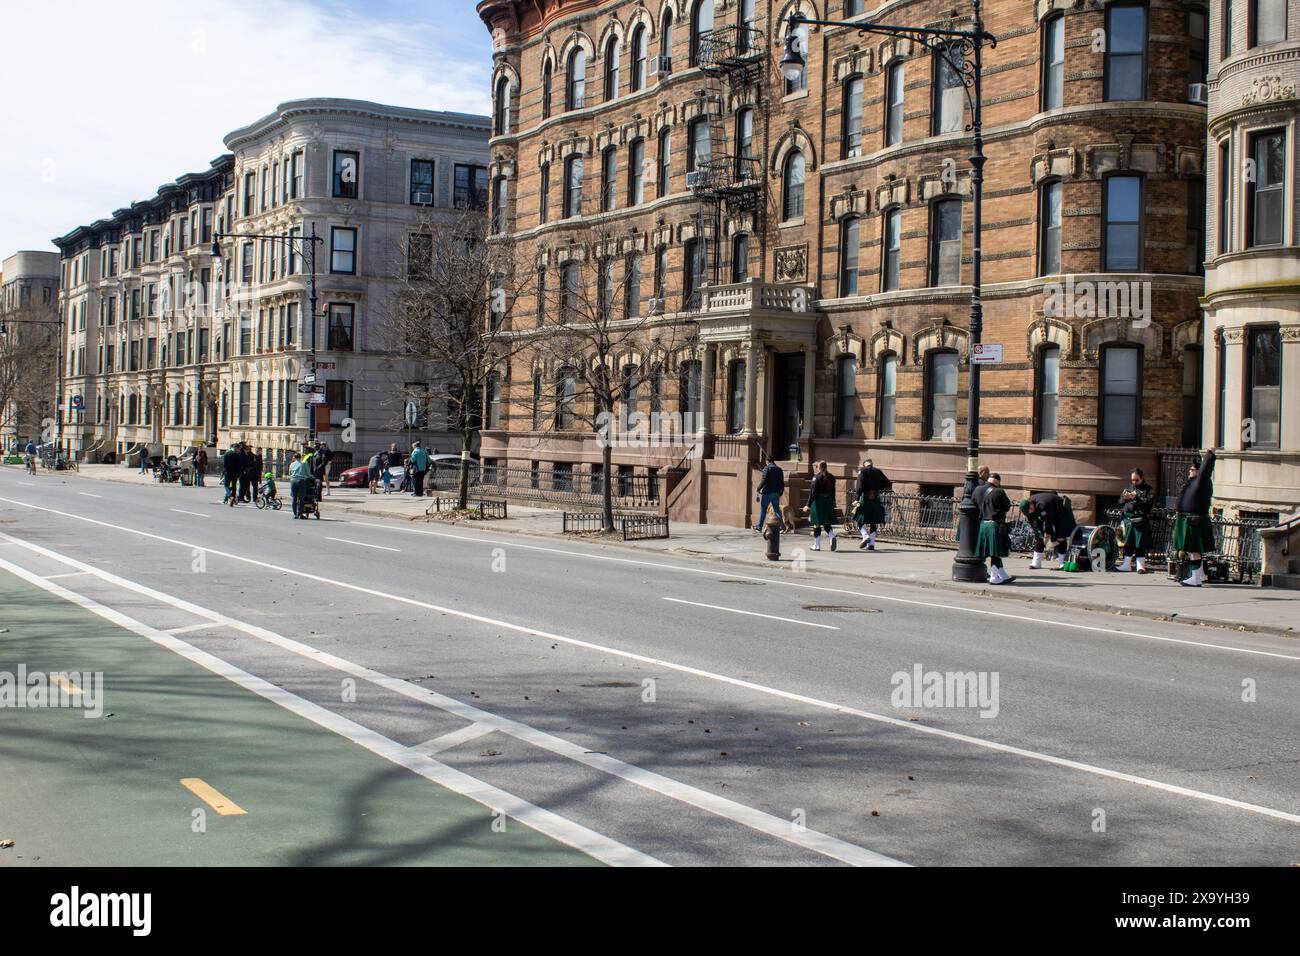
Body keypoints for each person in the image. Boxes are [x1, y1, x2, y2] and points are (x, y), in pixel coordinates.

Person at [1174, 449, 1217, 587]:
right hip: (1186, 519)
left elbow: (1205, 470)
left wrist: (1209, 455)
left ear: (1198, 471)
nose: (1189, 471)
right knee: (1191, 550)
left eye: (1192, 469)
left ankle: (1195, 578)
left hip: (1194, 520)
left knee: (1193, 550)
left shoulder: (1202, 481)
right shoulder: (1191, 482)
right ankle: (1200, 575)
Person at [1020, 491, 1077, 570]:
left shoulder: (1042, 505)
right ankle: (1036, 563)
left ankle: (1062, 562)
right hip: (1050, 513)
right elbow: (1034, 524)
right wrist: (1039, 533)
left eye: (1030, 509)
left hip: (1062, 513)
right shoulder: (1028, 508)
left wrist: (1047, 533)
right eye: (1028, 512)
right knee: (1039, 537)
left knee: (1060, 536)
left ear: (1031, 505)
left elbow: (1048, 520)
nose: (1030, 512)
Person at [976, 473, 1016, 585]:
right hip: (995, 525)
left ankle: (1002, 574)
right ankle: (994, 577)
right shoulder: (999, 491)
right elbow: (1007, 507)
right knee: (996, 553)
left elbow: (974, 504)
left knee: (994, 551)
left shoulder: (977, 490)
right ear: (997, 481)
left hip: (983, 524)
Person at [1117, 467, 1154, 573]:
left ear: (1142, 478)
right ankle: (1126, 565)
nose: (1134, 482)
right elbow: (1119, 502)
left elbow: (1148, 504)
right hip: (1128, 518)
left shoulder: (1148, 489)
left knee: (1139, 543)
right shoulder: (1129, 487)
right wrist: (1125, 498)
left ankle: (1140, 566)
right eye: (1132, 480)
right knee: (1127, 543)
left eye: (1136, 480)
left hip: (1140, 520)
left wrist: (1136, 497)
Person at [852, 458, 892, 551]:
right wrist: (876, 489)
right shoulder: (878, 471)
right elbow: (887, 483)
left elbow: (859, 486)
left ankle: (865, 536)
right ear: (872, 465)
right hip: (875, 497)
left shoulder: (862, 472)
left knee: (859, 519)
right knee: (873, 521)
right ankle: (872, 544)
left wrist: (856, 499)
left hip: (865, 498)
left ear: (864, 465)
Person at [802, 460, 838, 552]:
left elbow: (813, 493)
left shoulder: (816, 478)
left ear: (820, 468)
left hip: (818, 502)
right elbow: (833, 491)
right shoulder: (831, 477)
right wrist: (833, 501)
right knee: (826, 522)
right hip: (828, 501)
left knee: (816, 524)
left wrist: (808, 505)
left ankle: (817, 545)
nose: (816, 469)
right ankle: (831, 536)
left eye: (816, 467)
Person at [753, 455, 785, 532]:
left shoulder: (766, 469)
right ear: (774, 461)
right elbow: (782, 482)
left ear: (767, 461)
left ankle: (759, 526)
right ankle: (782, 526)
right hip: (776, 492)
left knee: (763, 509)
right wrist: (780, 492)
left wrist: (758, 488)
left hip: (767, 492)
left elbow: (764, 480)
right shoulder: (779, 469)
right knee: (777, 510)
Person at [290, 453, 310, 519]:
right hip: (301, 481)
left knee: (294, 497)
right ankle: (300, 513)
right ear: (300, 457)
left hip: (293, 481)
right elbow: (308, 473)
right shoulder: (304, 463)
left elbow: (290, 473)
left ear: (294, 457)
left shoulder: (292, 464)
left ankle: (294, 513)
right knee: (300, 498)